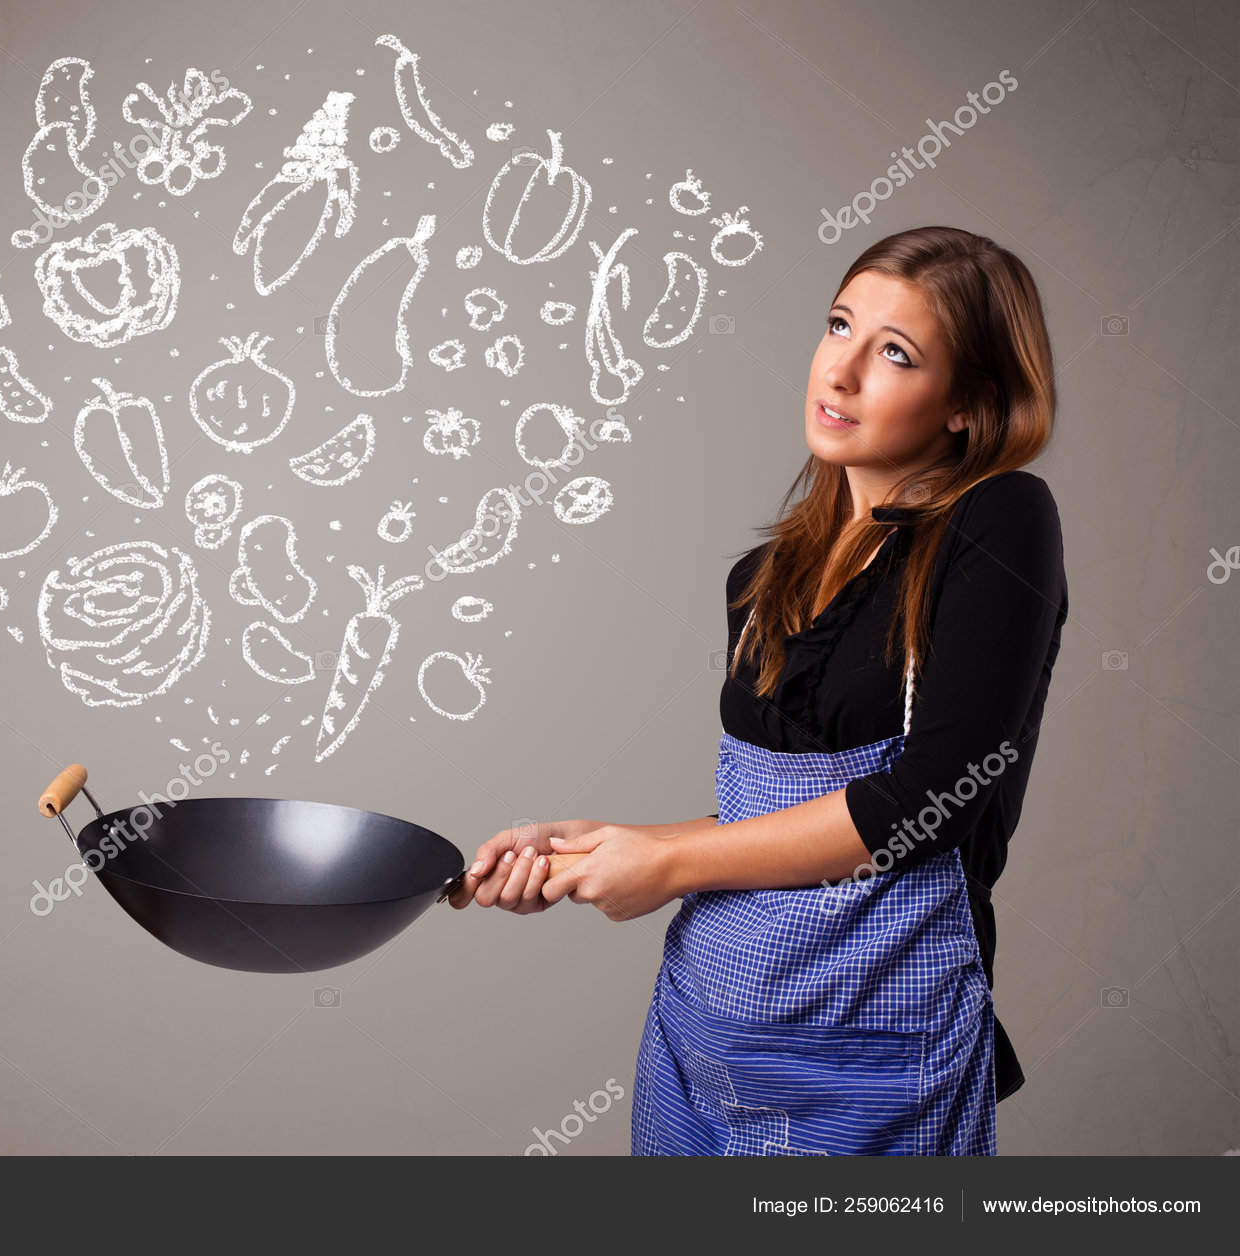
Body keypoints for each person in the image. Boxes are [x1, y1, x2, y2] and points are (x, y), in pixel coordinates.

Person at [450, 225, 1068, 1156]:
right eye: (838, 326)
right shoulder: (763, 577)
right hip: (704, 1037)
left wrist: (666, 870)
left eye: (895, 354)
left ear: (967, 405)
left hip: (867, 1059)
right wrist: (601, 845)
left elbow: (931, 798)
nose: (843, 371)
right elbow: (769, 821)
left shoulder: (998, 521)